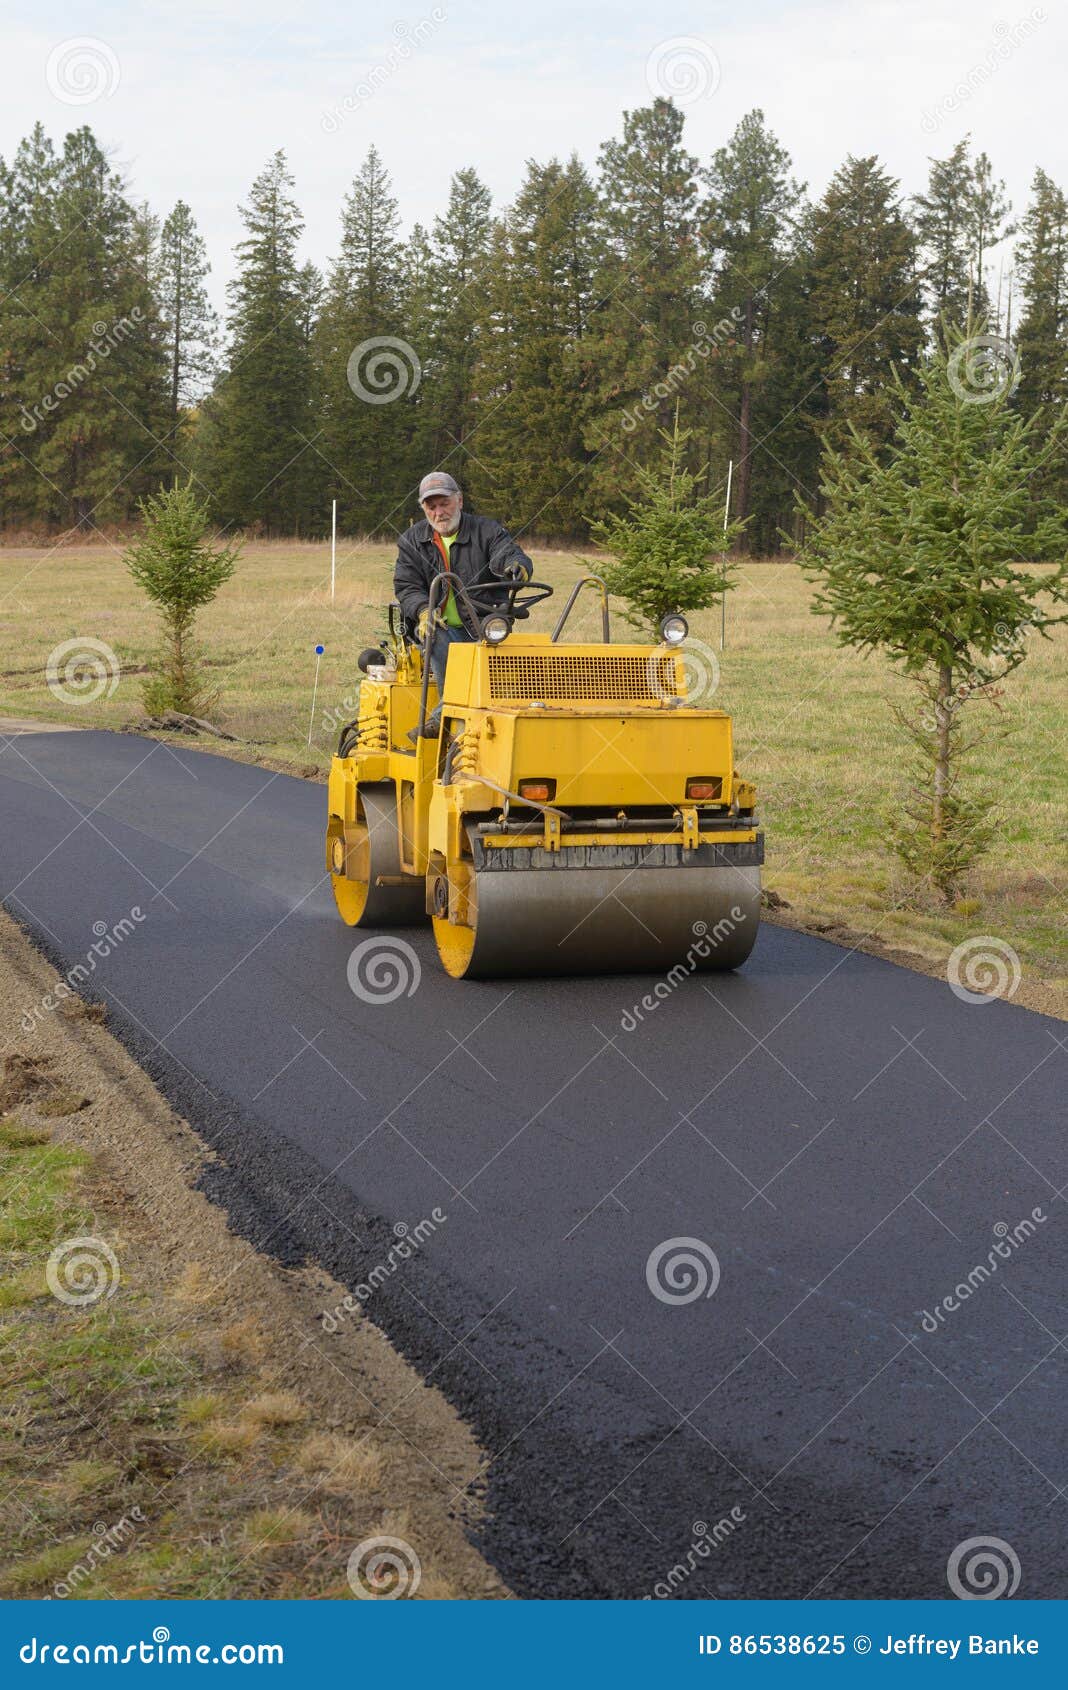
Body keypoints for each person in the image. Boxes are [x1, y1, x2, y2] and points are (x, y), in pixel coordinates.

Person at [393, 471, 533, 739]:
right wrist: (423, 611)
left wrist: (516, 567)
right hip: (437, 625)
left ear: (459, 500)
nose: (438, 512)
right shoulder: (412, 541)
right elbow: (407, 586)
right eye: (431, 506)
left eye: (444, 503)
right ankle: (447, 716)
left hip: (482, 624)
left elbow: (508, 554)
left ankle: (493, 723)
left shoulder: (487, 531)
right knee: (438, 636)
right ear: (423, 508)